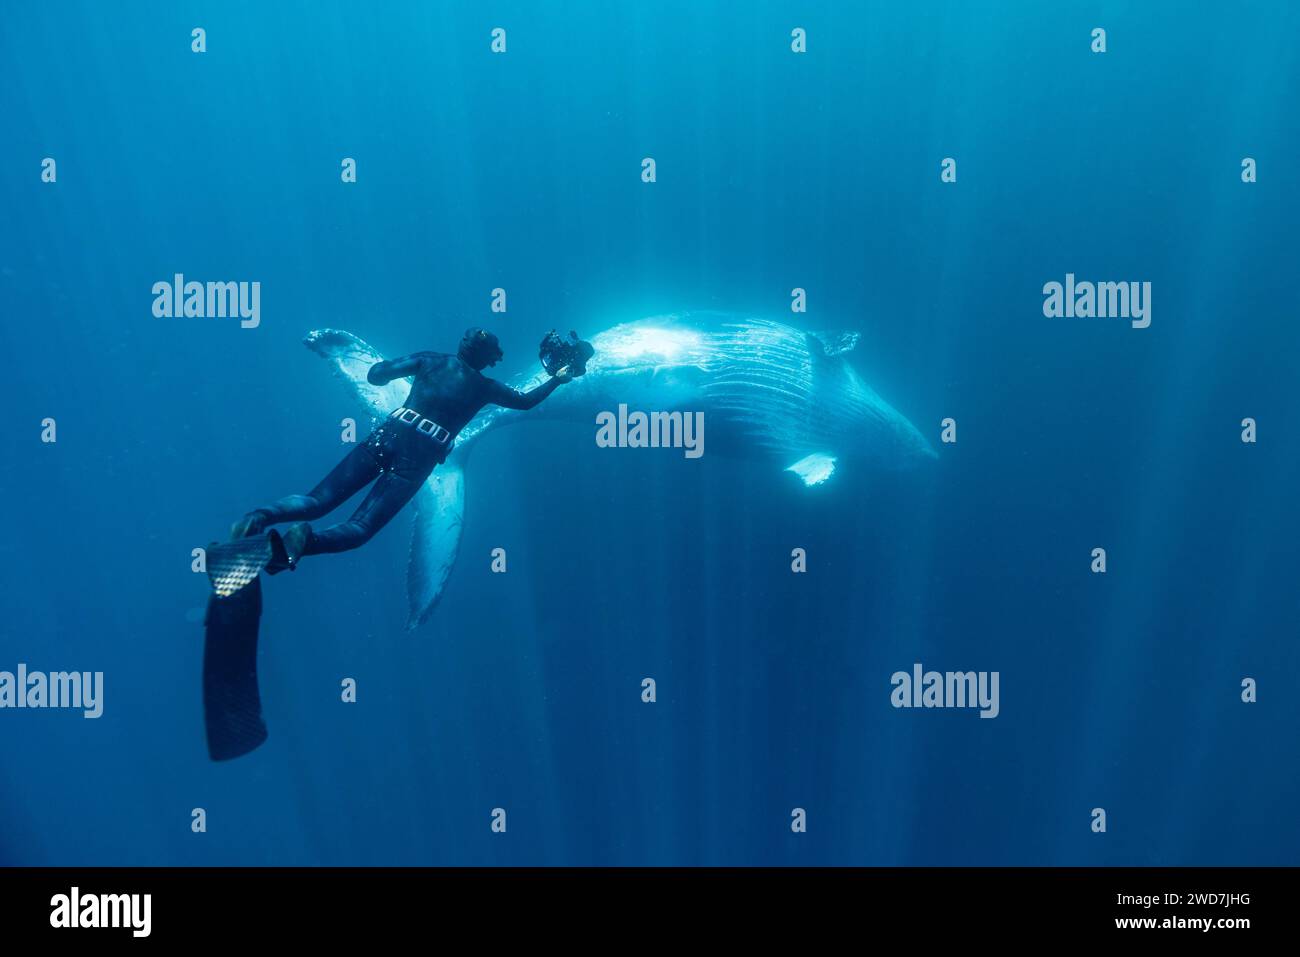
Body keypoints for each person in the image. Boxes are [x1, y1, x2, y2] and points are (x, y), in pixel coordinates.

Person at [226, 327, 569, 573]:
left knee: (316, 501)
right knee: (359, 528)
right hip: (420, 455)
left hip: (390, 432)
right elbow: (525, 403)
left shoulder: (428, 360)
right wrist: (558, 378)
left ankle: (258, 517)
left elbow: (376, 375)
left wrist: (390, 375)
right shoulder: (486, 388)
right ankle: (302, 542)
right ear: (489, 361)